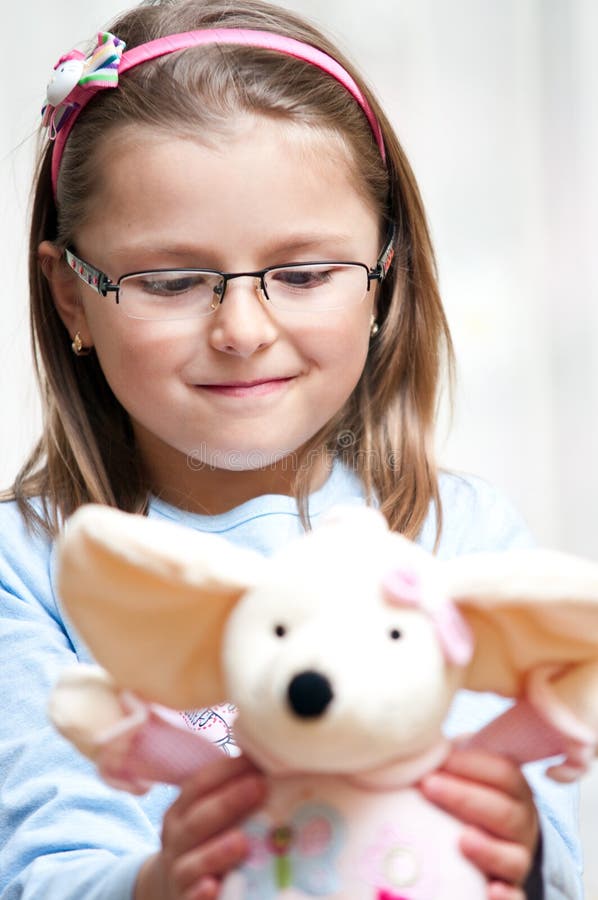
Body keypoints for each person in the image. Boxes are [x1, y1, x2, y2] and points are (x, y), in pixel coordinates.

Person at [0, 1, 582, 898]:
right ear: (72, 297)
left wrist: (524, 853)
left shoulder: (457, 536)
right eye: (170, 281)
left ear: (384, 275)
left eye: (305, 274)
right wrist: (157, 883)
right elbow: (46, 870)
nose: (242, 329)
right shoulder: (33, 569)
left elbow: (552, 862)